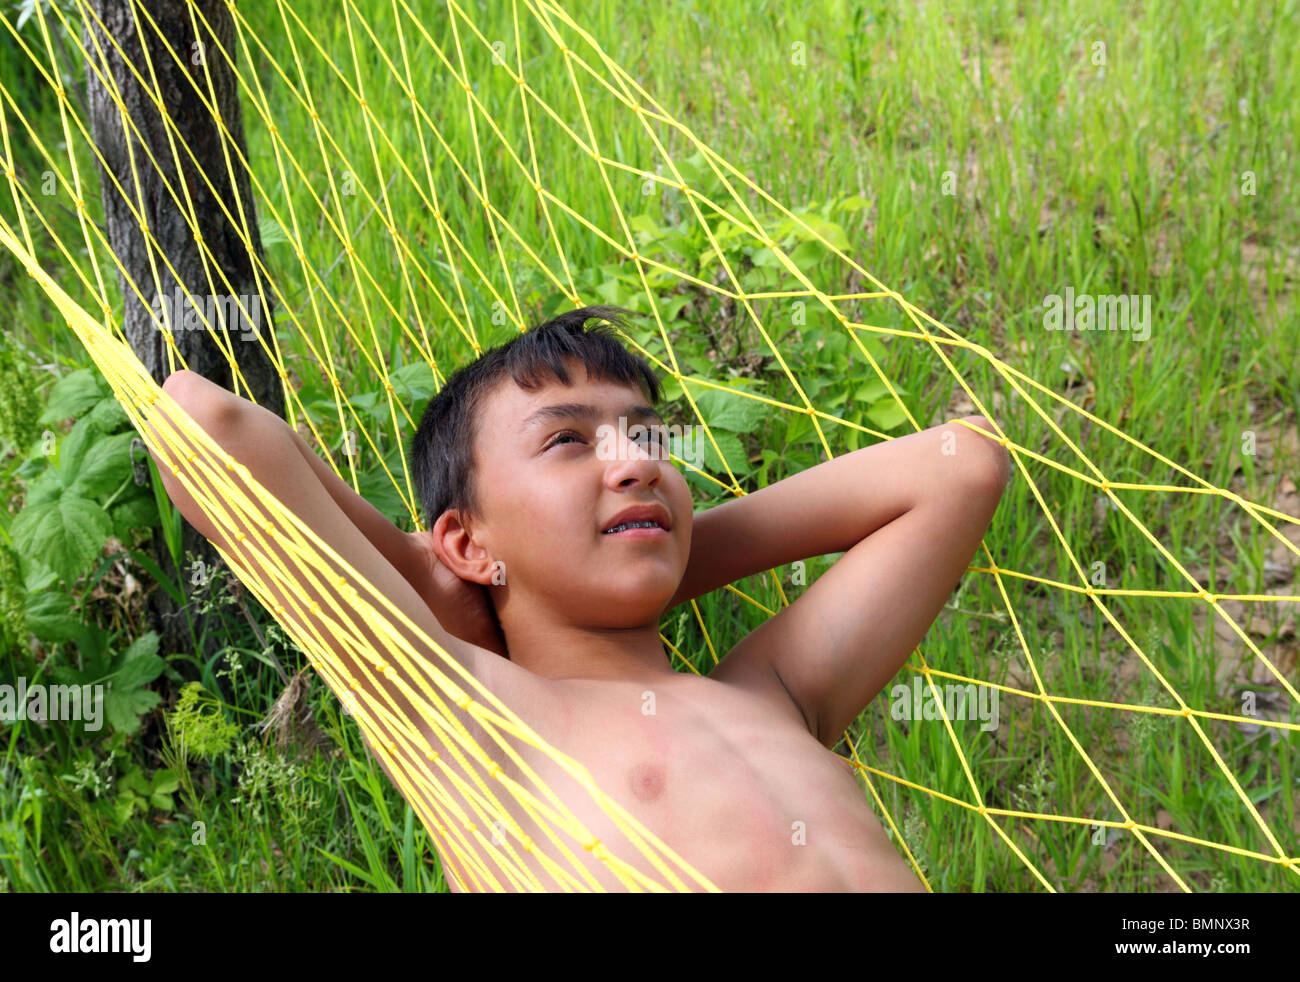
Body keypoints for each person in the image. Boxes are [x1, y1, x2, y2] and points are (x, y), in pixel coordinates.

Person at [150, 305, 1010, 892]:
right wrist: (430, 577)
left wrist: (653, 545)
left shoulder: (772, 694)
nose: (633, 461)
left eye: (646, 437)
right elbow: (200, 423)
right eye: (567, 439)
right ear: (466, 541)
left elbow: (960, 467)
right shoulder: (471, 717)